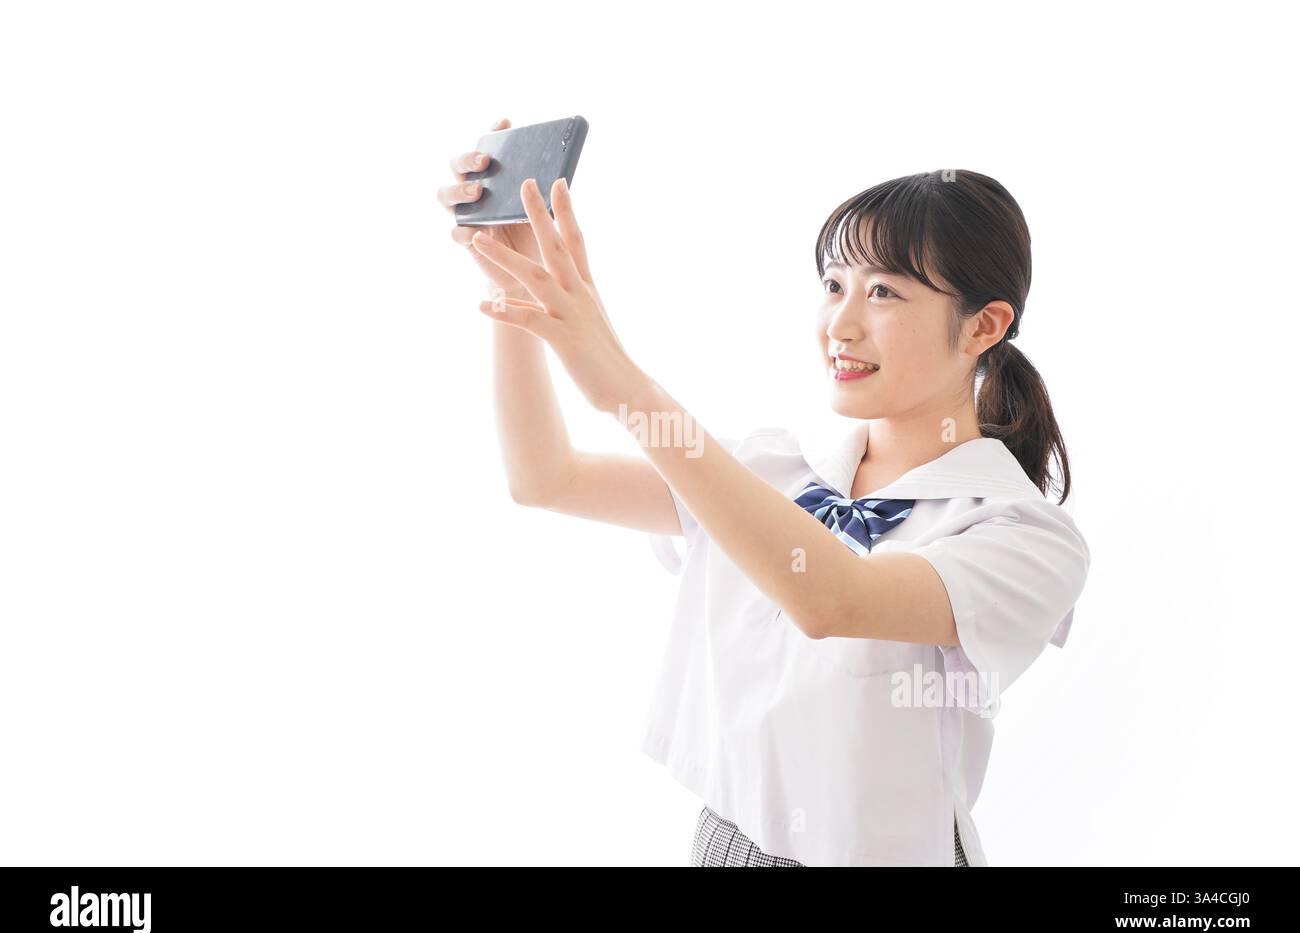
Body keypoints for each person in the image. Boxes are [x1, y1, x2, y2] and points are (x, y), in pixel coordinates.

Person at [440, 119, 1090, 866]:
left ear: (985, 326)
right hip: (726, 840)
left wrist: (620, 382)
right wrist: (511, 285)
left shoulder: (1021, 535)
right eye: (833, 285)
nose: (840, 325)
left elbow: (831, 600)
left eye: (884, 291)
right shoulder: (776, 468)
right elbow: (544, 477)